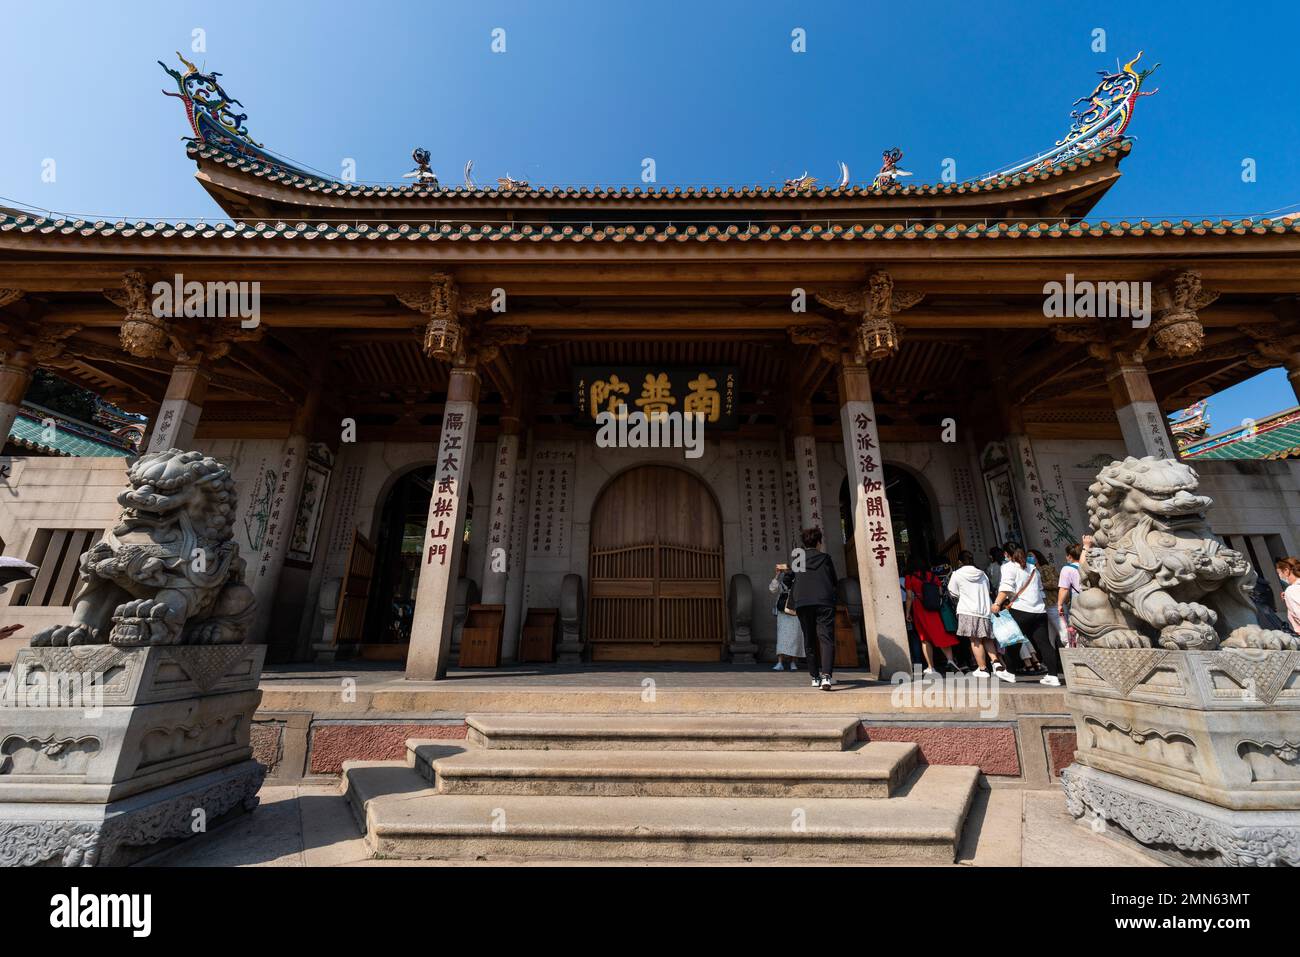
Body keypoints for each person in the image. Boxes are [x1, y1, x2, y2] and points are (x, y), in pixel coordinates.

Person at [995, 546, 1058, 685]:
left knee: (1014, 642)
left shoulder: (1008, 567)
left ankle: (1010, 673)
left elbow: (1006, 587)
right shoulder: (1033, 568)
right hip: (1039, 611)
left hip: (1020, 609)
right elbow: (1040, 589)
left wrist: (996, 604)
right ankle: (1053, 676)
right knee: (1044, 643)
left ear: (1006, 554)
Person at [948, 550, 1014, 682]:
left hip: (968, 610)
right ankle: (996, 664)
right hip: (985, 610)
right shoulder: (982, 573)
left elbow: (953, 592)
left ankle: (983, 668)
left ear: (960, 562)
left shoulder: (956, 574)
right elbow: (988, 589)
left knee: (975, 640)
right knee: (988, 639)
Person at [790, 527, 838, 691]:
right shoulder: (825, 558)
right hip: (824, 601)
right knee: (826, 638)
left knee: (809, 639)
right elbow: (833, 581)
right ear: (819, 542)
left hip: (803, 602)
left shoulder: (798, 560)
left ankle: (814, 677)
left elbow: (793, 579)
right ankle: (826, 676)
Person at [905, 556, 963, 676]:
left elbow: (910, 597)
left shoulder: (909, 578)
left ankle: (931, 667)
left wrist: (907, 613)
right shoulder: (933, 576)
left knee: (924, 638)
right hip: (934, 607)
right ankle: (950, 660)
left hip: (919, 607)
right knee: (941, 633)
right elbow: (940, 592)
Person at [768, 562, 804, 670]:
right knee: (782, 637)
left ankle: (792, 662)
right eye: (785, 569)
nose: (786, 571)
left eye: (787, 569)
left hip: (794, 611)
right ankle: (780, 662)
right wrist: (777, 575)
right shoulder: (782, 580)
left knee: (794, 637)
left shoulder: (797, 579)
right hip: (784, 612)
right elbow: (772, 589)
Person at [1056, 543, 1083, 648]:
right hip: (1091, 596)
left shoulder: (1067, 569)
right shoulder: (1087, 565)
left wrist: (1059, 604)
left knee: (1077, 628)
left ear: (1069, 556)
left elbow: (1064, 589)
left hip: (1078, 601)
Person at [1277, 557, 1300, 634]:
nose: (1280, 576)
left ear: (1286, 571)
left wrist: (1289, 593)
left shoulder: (1291, 590)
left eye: (1279, 573)